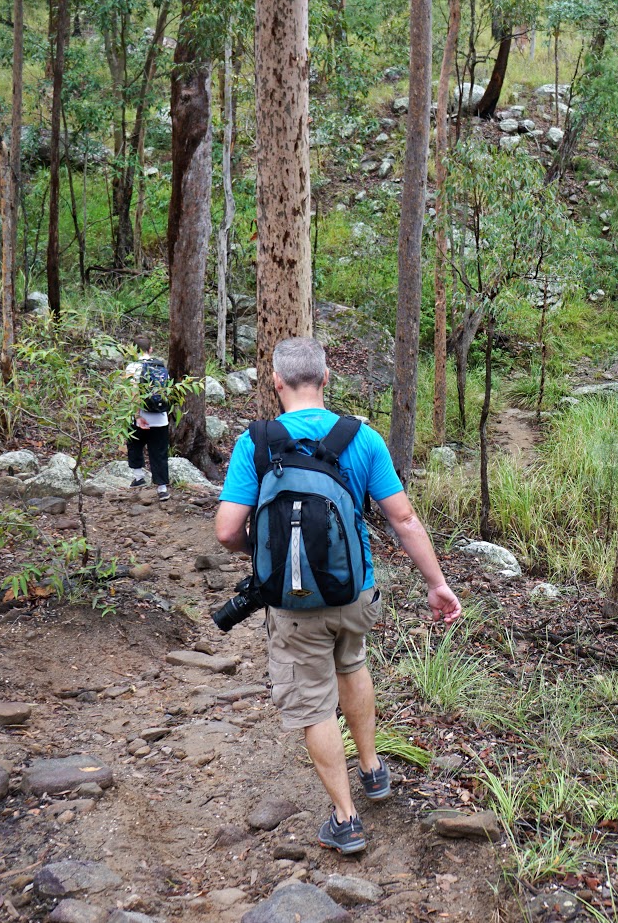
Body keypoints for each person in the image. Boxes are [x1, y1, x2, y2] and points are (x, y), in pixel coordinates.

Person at [213, 336, 461, 855]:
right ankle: (372, 770)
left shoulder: (254, 443)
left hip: (291, 602)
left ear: (276, 382)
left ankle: (346, 821)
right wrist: (437, 584)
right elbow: (404, 518)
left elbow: (227, 531)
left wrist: (270, 556)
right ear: (326, 379)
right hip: (354, 590)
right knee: (351, 664)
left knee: (312, 702)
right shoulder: (362, 438)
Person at [124, 337, 171, 501]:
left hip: (138, 417)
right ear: (150, 349)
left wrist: (137, 416)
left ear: (133, 350)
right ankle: (162, 489)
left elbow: (132, 393)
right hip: (160, 418)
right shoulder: (160, 367)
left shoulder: (132, 367)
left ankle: (138, 477)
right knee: (159, 452)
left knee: (134, 444)